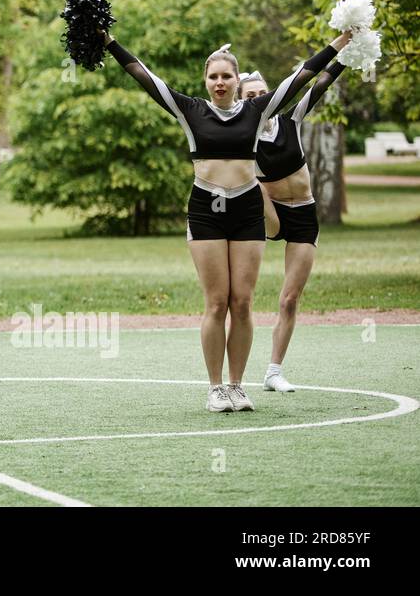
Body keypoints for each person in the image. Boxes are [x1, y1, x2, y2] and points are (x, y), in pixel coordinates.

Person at [102, 27, 351, 411]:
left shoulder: (257, 109)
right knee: (216, 303)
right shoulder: (190, 110)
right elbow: (142, 74)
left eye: (226, 76)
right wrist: (108, 43)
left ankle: (237, 385)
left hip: (247, 209)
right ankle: (215, 387)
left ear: (238, 80)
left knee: (243, 303)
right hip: (206, 211)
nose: (220, 82)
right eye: (213, 76)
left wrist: (340, 43)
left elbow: (301, 76)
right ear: (206, 80)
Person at [239, 61, 348, 393]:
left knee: (289, 299)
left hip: (302, 214)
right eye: (251, 96)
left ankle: (273, 372)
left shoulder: (291, 119)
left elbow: (320, 82)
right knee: (247, 179)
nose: (260, 98)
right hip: (269, 215)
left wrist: (345, 50)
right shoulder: (243, 136)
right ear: (243, 102)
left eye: (263, 92)